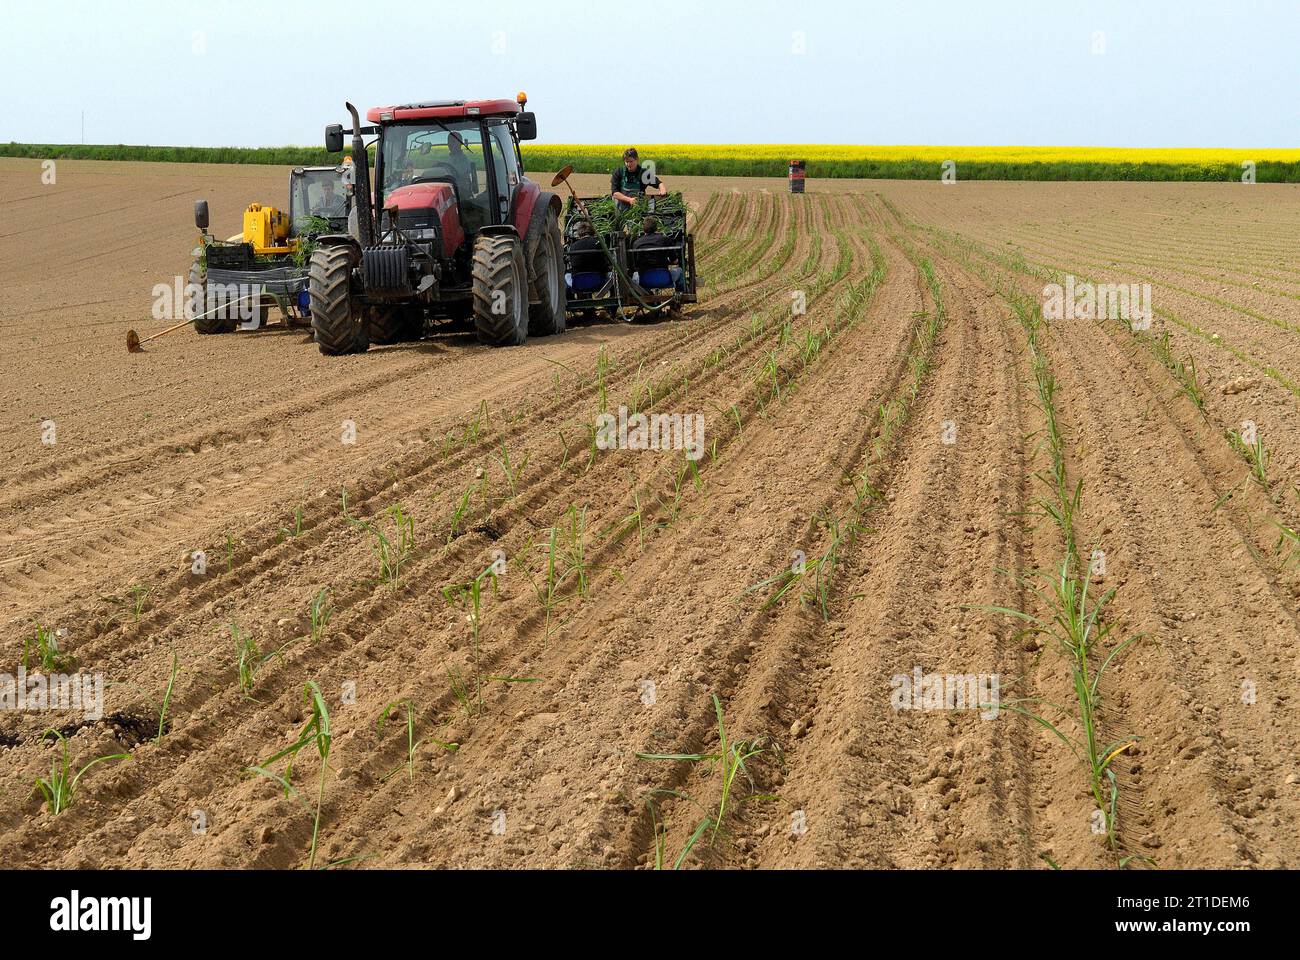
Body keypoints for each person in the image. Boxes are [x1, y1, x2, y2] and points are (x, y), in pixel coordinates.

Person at [631, 217, 685, 291]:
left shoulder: (637, 243)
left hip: (644, 281)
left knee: (634, 276)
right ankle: (680, 294)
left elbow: (635, 265)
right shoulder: (665, 239)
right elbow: (675, 261)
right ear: (656, 228)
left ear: (643, 229)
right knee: (680, 271)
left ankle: (645, 295)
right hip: (664, 279)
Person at [611, 147, 666, 212]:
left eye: (631, 161)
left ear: (637, 160)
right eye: (626, 162)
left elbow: (658, 183)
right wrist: (629, 200)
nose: (628, 164)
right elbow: (615, 193)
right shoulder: (619, 172)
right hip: (620, 209)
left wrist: (662, 189)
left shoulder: (644, 173)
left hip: (638, 208)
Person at [565, 218, 607, 293]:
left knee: (566, 275)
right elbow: (605, 263)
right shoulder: (598, 243)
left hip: (578, 283)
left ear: (579, 234)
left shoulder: (573, 247)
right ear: (593, 233)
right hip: (598, 281)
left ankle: (571, 301)